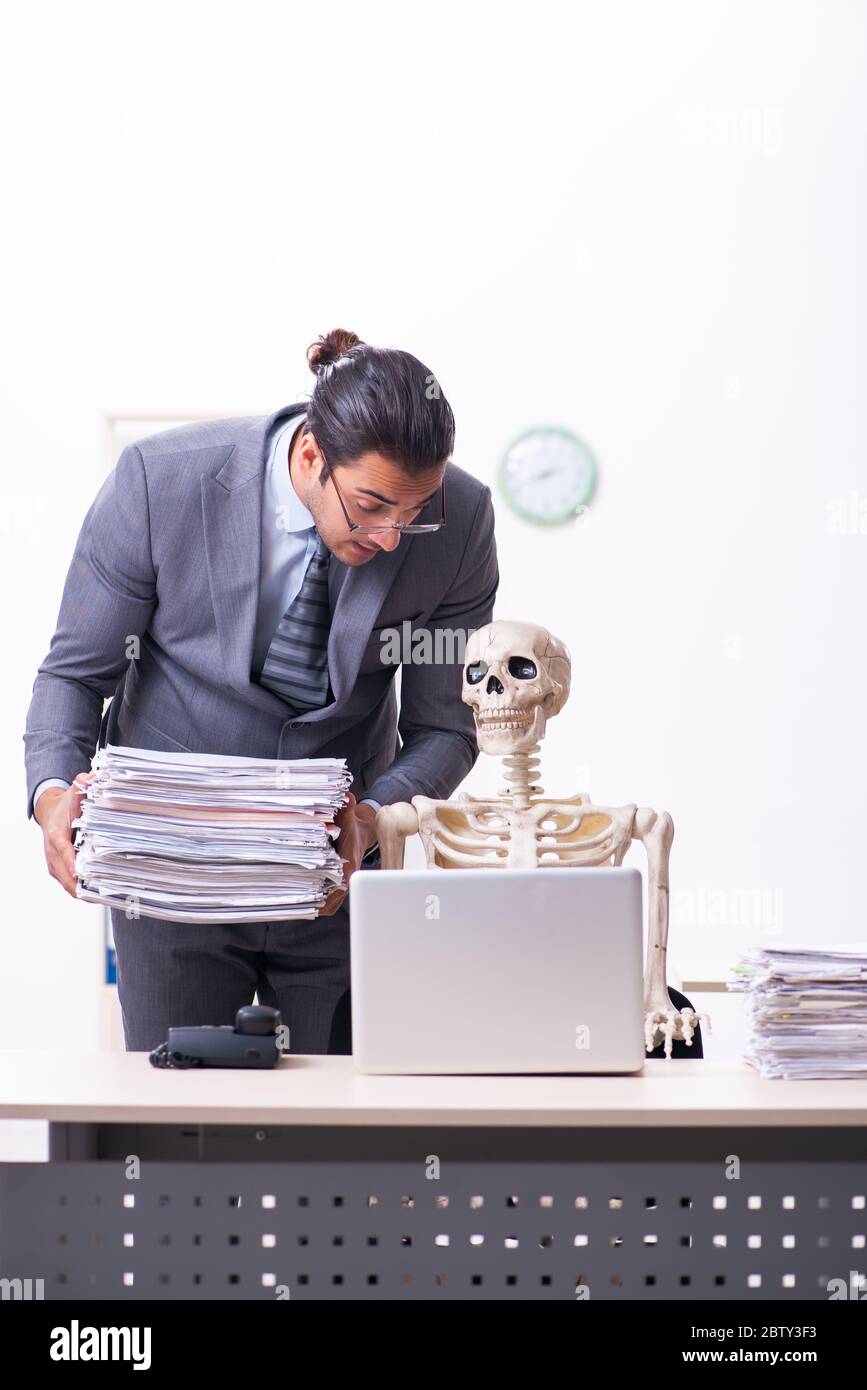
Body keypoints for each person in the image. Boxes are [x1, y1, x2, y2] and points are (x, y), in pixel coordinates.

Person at [25, 329, 499, 1053]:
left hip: (336, 876)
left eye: (415, 511)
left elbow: (445, 729)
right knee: (177, 1129)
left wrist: (370, 820)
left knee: (339, 1133)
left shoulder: (461, 521)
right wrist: (53, 794)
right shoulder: (160, 481)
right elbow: (76, 673)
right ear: (311, 456)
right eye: (372, 505)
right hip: (174, 870)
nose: (395, 536)